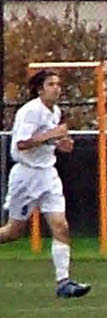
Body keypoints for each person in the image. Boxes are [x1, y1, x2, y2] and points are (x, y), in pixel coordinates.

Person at [0, 70, 89, 297]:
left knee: (61, 226)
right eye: (51, 84)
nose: (57, 88)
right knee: (13, 231)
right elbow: (21, 144)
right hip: (26, 176)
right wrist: (52, 135)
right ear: (40, 89)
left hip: (48, 174)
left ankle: (64, 283)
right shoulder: (30, 111)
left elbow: (48, 142)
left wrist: (61, 144)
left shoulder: (55, 111)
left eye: (58, 84)